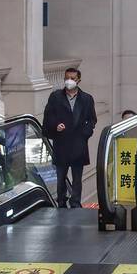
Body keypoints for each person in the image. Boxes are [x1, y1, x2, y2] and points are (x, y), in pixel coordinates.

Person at [42, 66, 97, 208]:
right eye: (67, 78)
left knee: (77, 177)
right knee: (61, 176)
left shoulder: (86, 99)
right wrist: (56, 126)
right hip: (61, 143)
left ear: (78, 80)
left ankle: (75, 201)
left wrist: (86, 132)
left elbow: (92, 119)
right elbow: (48, 116)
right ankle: (61, 201)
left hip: (79, 143)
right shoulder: (55, 97)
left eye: (72, 78)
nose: (69, 81)